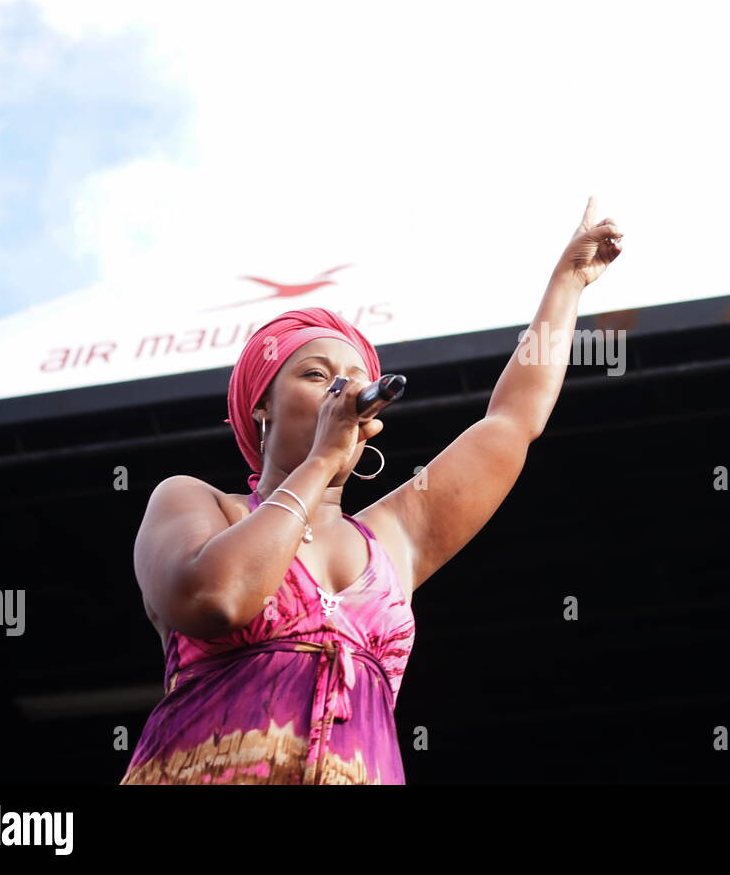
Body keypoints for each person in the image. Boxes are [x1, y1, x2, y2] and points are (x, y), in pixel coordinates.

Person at [119, 198, 624, 783]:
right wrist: (321, 461)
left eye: (357, 380)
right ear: (261, 406)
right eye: (315, 374)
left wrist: (566, 284)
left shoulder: (394, 537)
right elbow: (215, 600)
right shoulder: (197, 502)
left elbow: (512, 421)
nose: (343, 389)